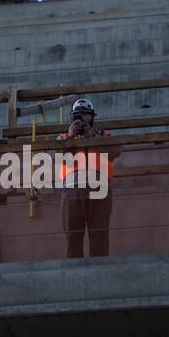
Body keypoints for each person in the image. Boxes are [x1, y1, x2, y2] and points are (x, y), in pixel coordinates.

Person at [57, 98, 121, 259]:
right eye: (78, 116)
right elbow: (56, 156)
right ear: (72, 118)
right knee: (73, 238)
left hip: (100, 188)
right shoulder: (64, 137)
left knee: (99, 236)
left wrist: (93, 137)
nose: (82, 120)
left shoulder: (103, 135)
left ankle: (100, 274)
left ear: (92, 117)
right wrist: (70, 138)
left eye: (85, 115)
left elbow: (116, 150)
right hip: (72, 190)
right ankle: (74, 274)